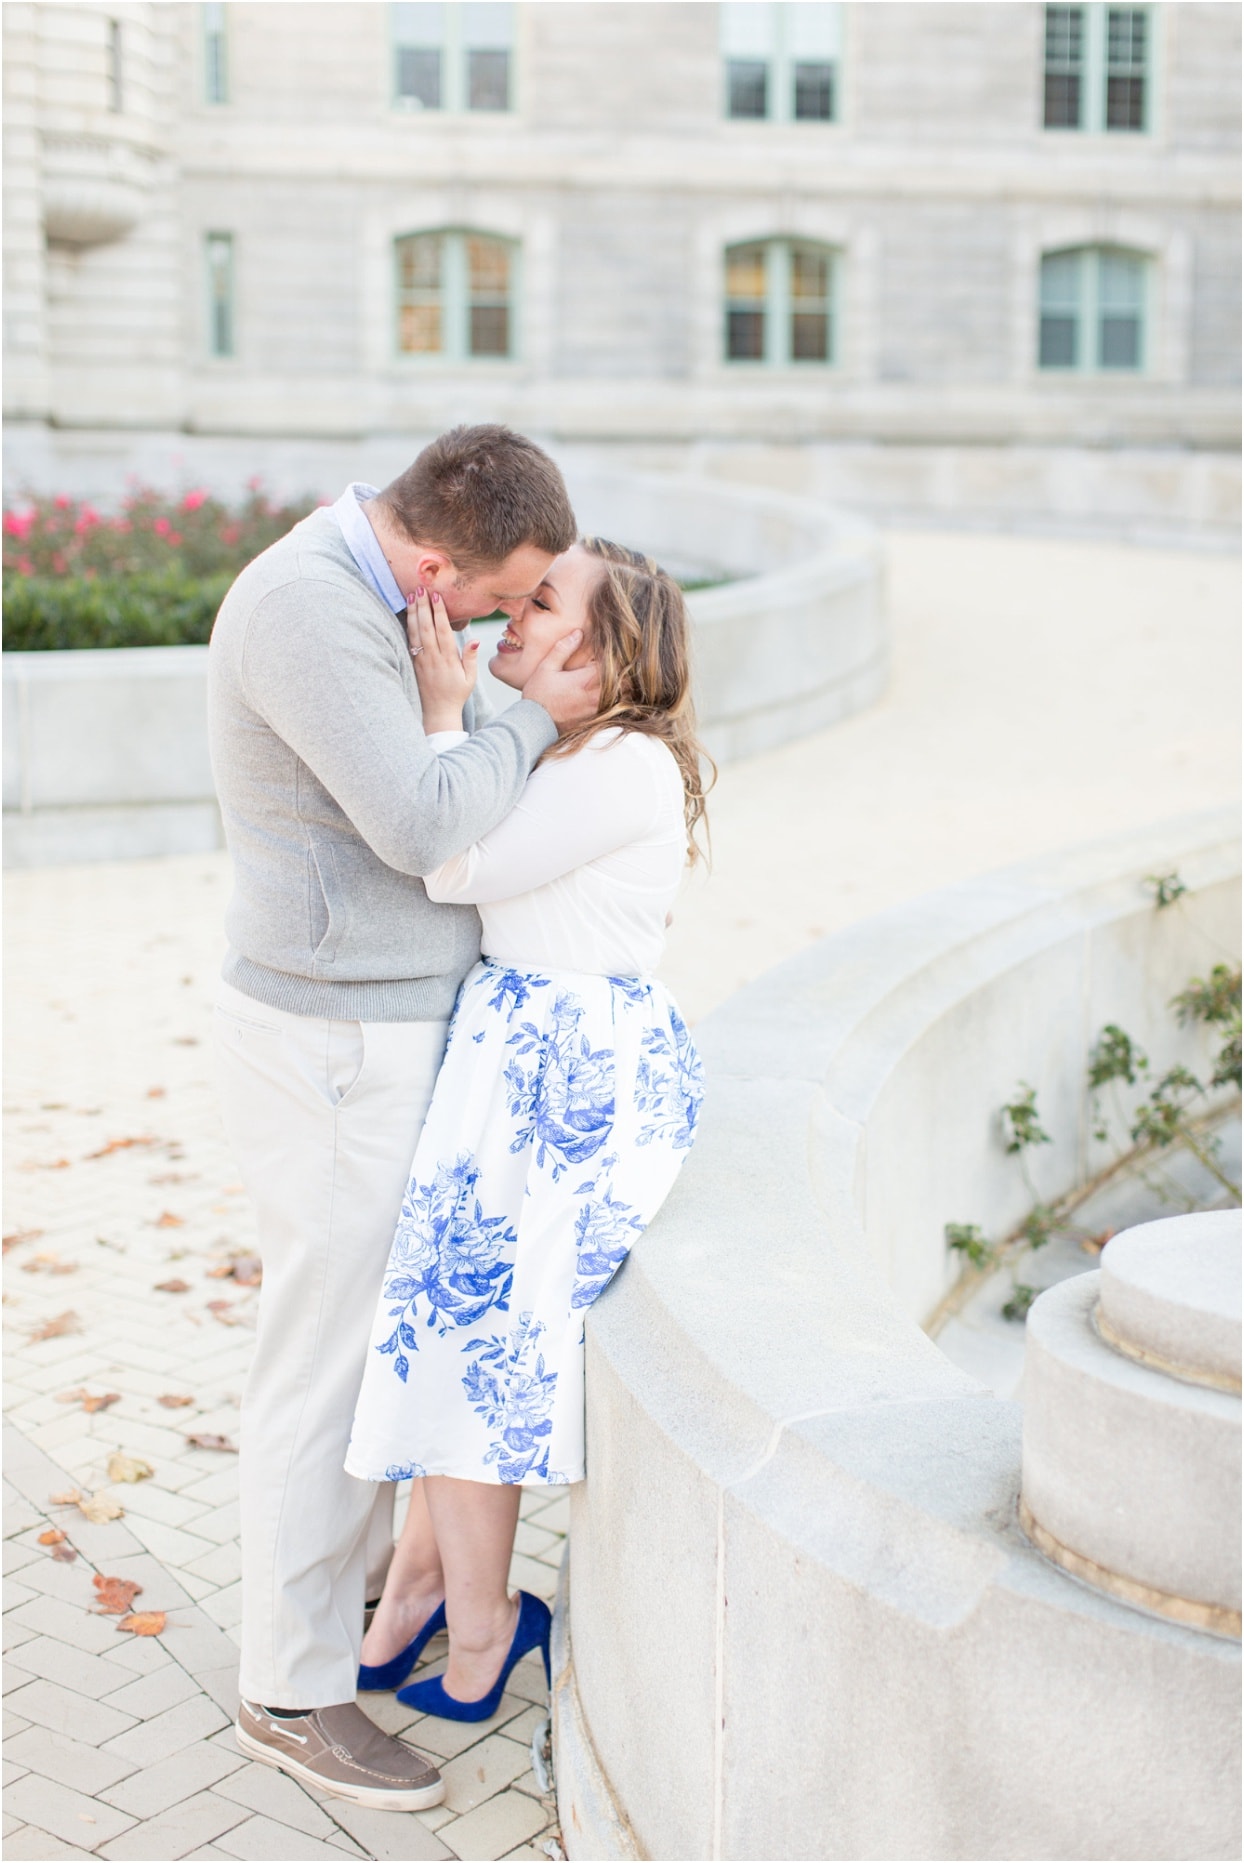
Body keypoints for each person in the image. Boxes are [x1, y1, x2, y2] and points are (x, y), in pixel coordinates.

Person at [208, 425, 601, 1810]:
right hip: (334, 1042)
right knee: (322, 1371)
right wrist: (533, 718)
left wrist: (475, 716)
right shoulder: (310, 609)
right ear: (438, 565)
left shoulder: (377, 595)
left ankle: (350, 1610)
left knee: (360, 1359)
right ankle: (289, 1690)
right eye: (501, 599)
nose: (502, 627)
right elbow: (425, 823)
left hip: (375, 1032)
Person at [344, 537, 708, 1720]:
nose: (510, 612)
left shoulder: (620, 765)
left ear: (597, 651)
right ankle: (416, 1595)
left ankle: (486, 1624)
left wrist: (443, 713)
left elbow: (449, 863)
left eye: (541, 603)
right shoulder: (571, 748)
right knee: (445, 1338)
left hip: (560, 1082)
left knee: (473, 1352)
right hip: (518, 1059)